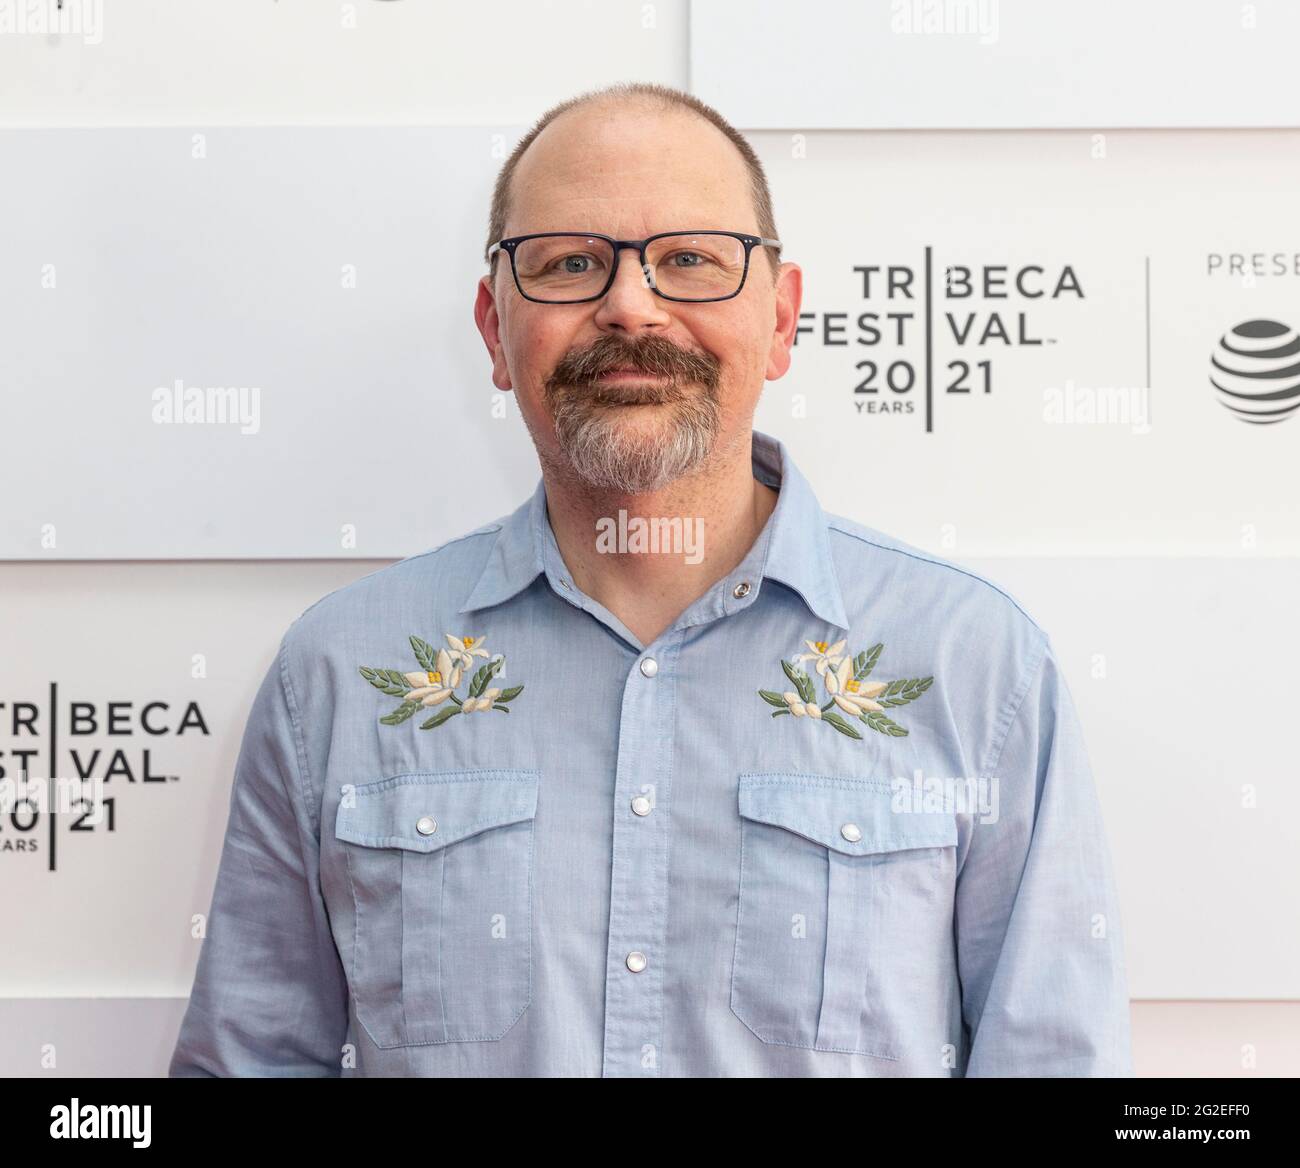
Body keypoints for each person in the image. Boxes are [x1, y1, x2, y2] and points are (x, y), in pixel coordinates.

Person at [169, 82, 1133, 1077]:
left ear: (782, 320)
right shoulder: (340, 671)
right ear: (495, 332)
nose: (630, 303)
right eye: (571, 263)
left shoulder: (973, 664)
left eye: (689, 260)